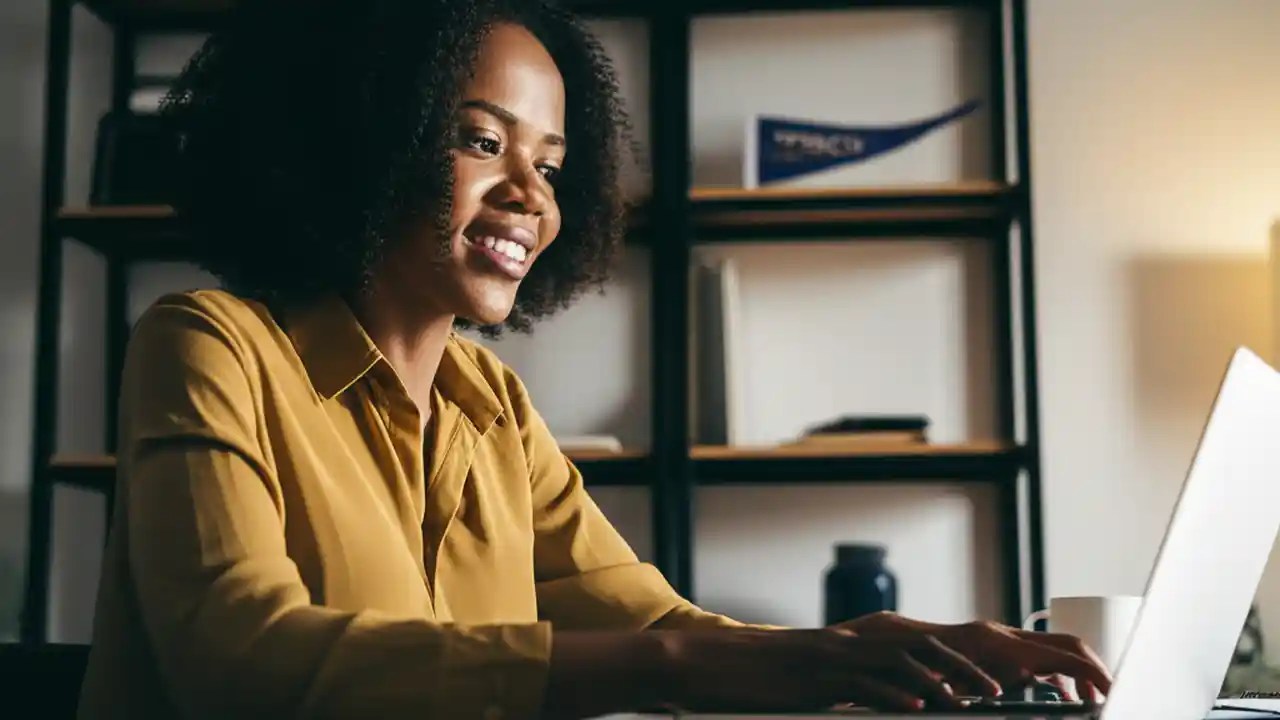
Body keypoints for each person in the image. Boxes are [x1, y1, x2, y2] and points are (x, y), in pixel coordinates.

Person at [76, 1, 1112, 718]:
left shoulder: (492, 406)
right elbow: (237, 660)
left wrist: (885, 654)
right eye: (481, 142)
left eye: (552, 164)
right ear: (353, 141)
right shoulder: (208, 344)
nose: (532, 195)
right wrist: (718, 663)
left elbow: (653, 619)